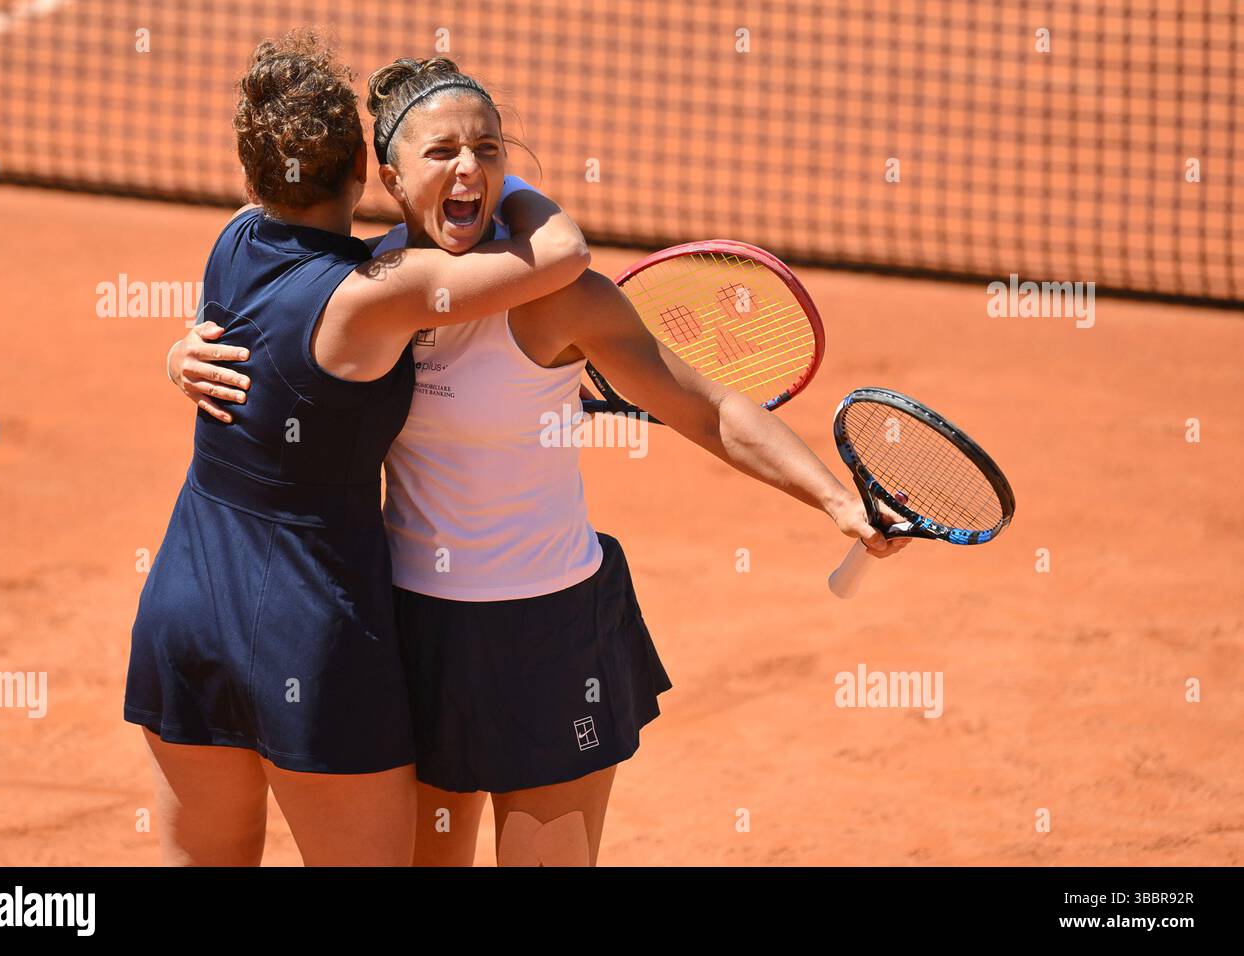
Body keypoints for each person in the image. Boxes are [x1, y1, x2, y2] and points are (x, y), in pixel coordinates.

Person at [167, 55, 906, 866]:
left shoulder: (563, 298)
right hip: (413, 632)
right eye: (442, 151)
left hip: (551, 633)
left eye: (489, 151)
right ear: (386, 176)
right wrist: (178, 354)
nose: (468, 168)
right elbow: (266, 337)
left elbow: (711, 407)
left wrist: (835, 499)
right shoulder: (368, 286)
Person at [126, 33, 589, 866]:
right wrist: (491, 172)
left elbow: (260, 337)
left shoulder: (231, 240)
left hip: (185, 607)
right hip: (310, 629)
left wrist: (172, 354)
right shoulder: (382, 294)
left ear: (251, 176)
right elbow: (560, 256)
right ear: (361, 178)